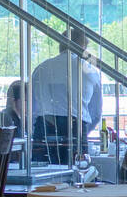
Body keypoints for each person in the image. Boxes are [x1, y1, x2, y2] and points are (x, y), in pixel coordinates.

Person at [29, 26, 103, 163]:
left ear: (60, 44)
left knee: (41, 174)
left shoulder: (41, 68)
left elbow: (32, 107)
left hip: (44, 126)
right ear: (83, 47)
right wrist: (82, 132)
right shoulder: (89, 71)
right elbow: (96, 113)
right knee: (77, 175)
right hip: (76, 127)